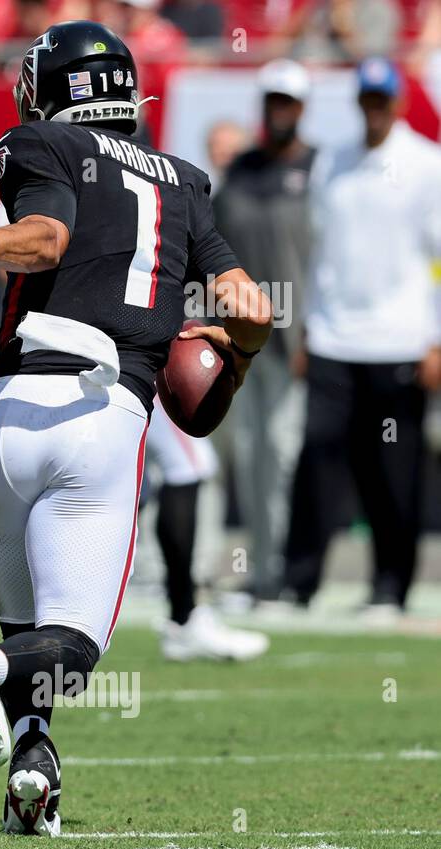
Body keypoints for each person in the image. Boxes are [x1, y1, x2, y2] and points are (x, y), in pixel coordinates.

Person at [0, 20, 272, 835]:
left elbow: (42, 240)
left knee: (31, 628)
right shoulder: (184, 179)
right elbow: (250, 308)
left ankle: (33, 768)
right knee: (71, 646)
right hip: (99, 413)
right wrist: (238, 357)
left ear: (49, 88)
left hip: (7, 412)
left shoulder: (37, 141)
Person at [283, 57, 441, 620]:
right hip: (333, 337)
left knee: (392, 468)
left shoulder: (426, 163)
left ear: (398, 102)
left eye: (382, 99)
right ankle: (298, 584)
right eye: (366, 98)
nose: (373, 109)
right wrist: (307, 327)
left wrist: (436, 339)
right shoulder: (333, 162)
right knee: (317, 457)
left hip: (400, 339)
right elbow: (322, 254)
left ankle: (390, 588)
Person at [213, 59, 314, 605]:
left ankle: (292, 569)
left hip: (298, 338)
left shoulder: (318, 169)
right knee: (251, 456)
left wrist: (313, 330)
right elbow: (215, 252)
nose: (280, 110)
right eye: (273, 100)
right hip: (242, 337)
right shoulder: (241, 172)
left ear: (302, 108)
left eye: (288, 102)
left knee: (287, 453)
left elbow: (325, 259)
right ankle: (263, 569)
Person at [144, 399, 269, 660]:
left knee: (133, 480)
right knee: (188, 462)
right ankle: (183, 618)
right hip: (118, 379)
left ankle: (182, 617)